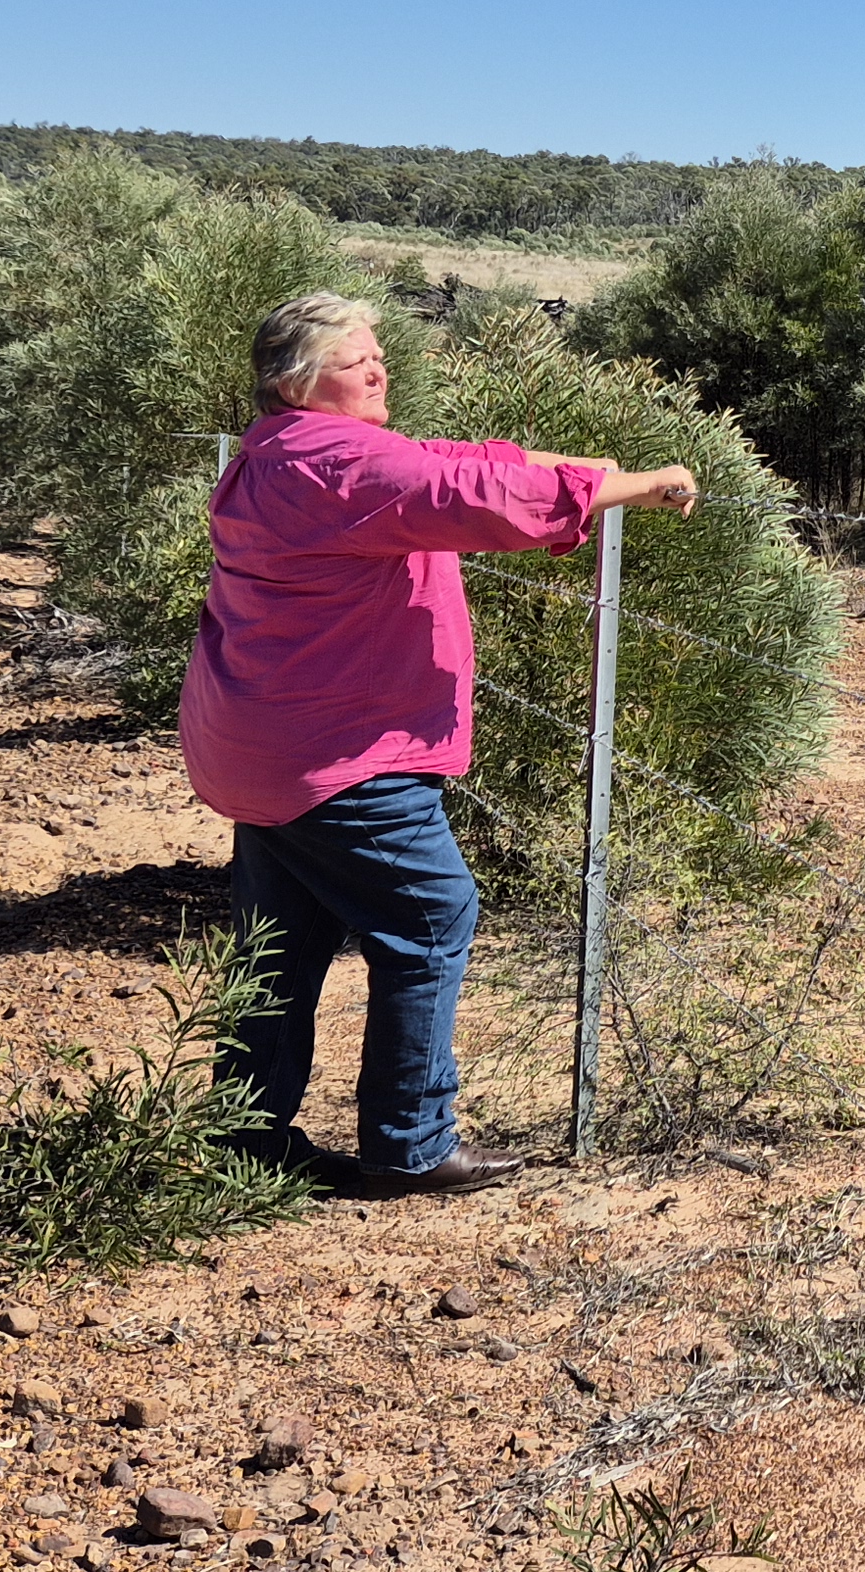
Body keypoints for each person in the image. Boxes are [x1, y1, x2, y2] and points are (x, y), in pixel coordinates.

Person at [180, 292, 700, 1198]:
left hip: (258, 747)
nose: (379, 369)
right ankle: (409, 1142)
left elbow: (451, 461)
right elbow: (478, 493)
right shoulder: (339, 462)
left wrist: (591, 466)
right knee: (430, 917)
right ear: (300, 380)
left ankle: (243, 1138)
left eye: (378, 352)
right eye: (357, 360)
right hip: (337, 753)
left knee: (281, 942)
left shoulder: (276, 454)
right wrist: (634, 485)